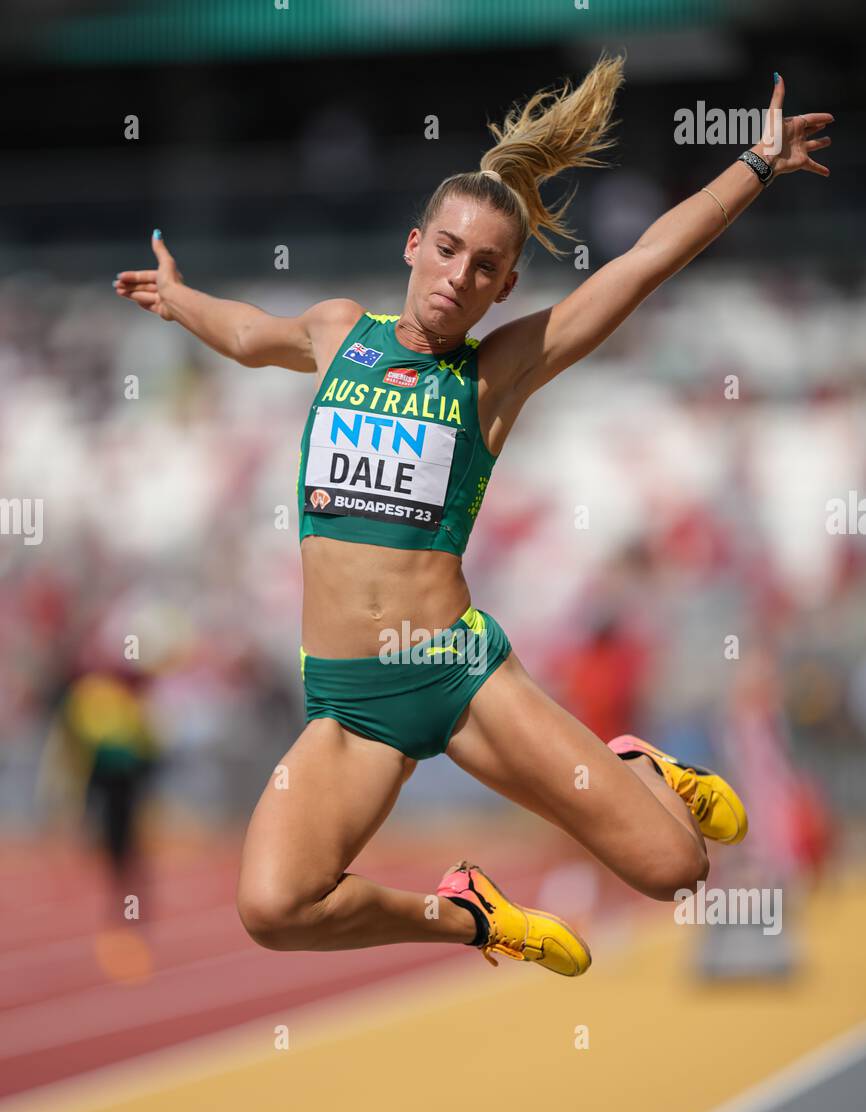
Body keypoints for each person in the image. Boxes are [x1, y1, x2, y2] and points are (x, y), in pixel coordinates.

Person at [114, 58, 832, 977]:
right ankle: (469, 915)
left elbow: (643, 262)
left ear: (505, 285)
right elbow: (249, 332)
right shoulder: (341, 334)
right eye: (449, 250)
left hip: (454, 674)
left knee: (677, 867)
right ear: (415, 245)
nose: (460, 276)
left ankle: (640, 767)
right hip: (348, 703)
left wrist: (757, 166)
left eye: (486, 267)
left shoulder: (495, 375)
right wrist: (178, 302)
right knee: (274, 906)